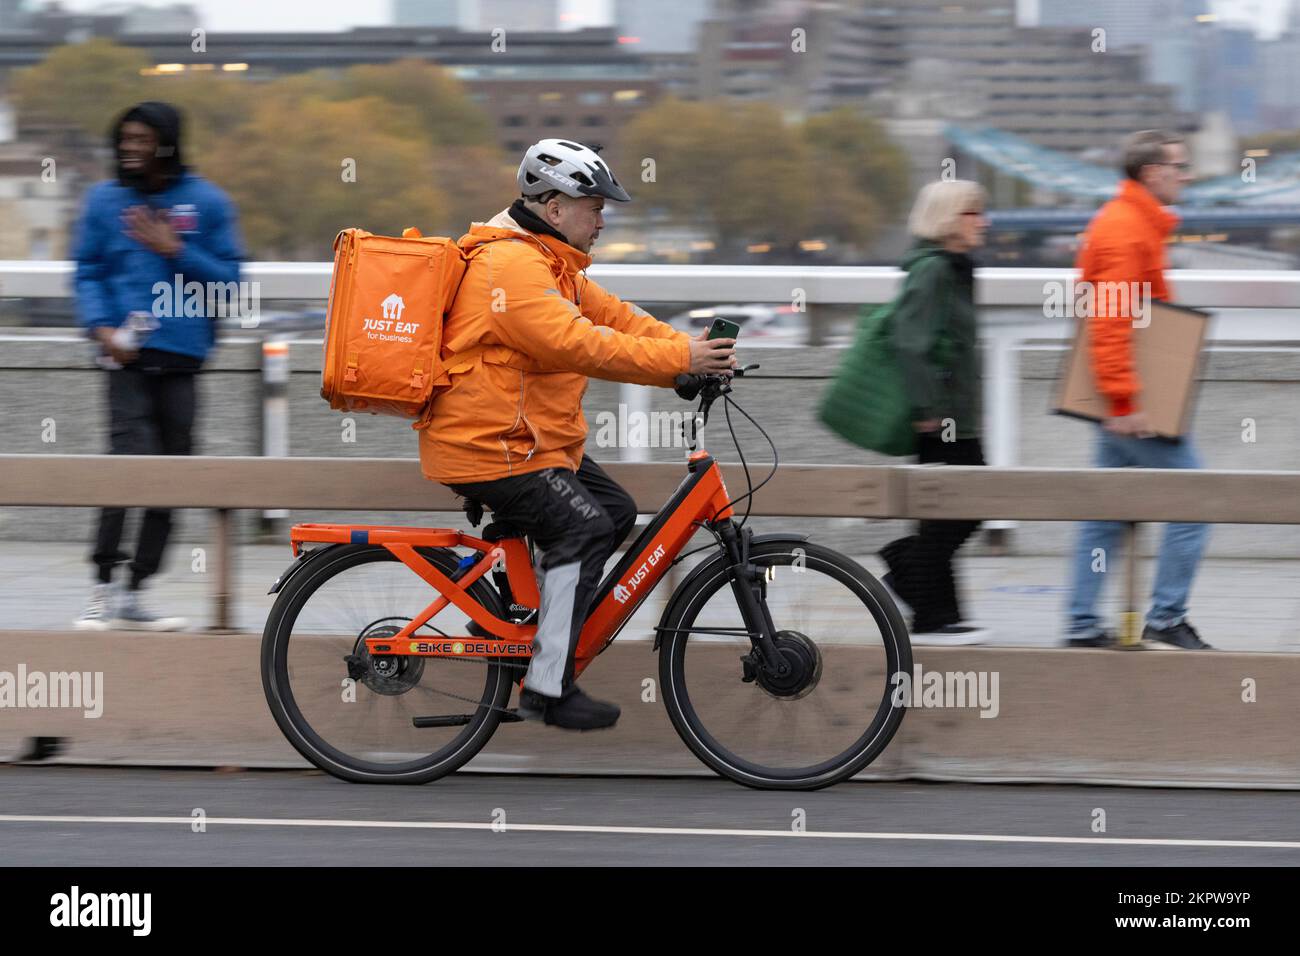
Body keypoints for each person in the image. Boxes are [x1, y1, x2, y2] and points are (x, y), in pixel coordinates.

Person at [422, 139, 736, 729]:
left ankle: (522, 620)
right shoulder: (510, 267)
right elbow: (577, 343)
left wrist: (693, 353)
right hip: (492, 445)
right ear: (554, 206)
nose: (602, 219)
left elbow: (617, 318)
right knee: (583, 526)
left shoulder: (551, 261)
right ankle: (547, 684)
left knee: (614, 511)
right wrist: (676, 361)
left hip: (527, 439)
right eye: (593, 206)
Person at [72, 101, 245, 631]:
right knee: (129, 463)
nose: (129, 147)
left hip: (182, 357)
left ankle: (135, 589)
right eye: (124, 138)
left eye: (141, 138)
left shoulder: (206, 203)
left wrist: (176, 250)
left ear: (167, 143)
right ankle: (101, 587)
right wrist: (101, 327)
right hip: (122, 357)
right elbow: (87, 271)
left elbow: (233, 285)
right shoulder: (104, 201)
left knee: (172, 472)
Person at [1063, 130, 1210, 650]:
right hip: (1131, 401)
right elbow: (1110, 319)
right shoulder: (1127, 230)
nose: (1186, 175)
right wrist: (1125, 403)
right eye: (1180, 166)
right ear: (1152, 173)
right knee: (1197, 499)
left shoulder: (1131, 222)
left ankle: (1081, 622)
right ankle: (1166, 617)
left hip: (1122, 393)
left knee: (1107, 509)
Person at [877, 179, 990, 645]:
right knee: (965, 508)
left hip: (956, 413)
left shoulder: (955, 268)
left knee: (947, 512)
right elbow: (910, 340)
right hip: (942, 417)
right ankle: (912, 577)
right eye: (972, 213)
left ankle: (935, 611)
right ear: (948, 219)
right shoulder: (933, 271)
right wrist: (929, 409)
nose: (982, 222)